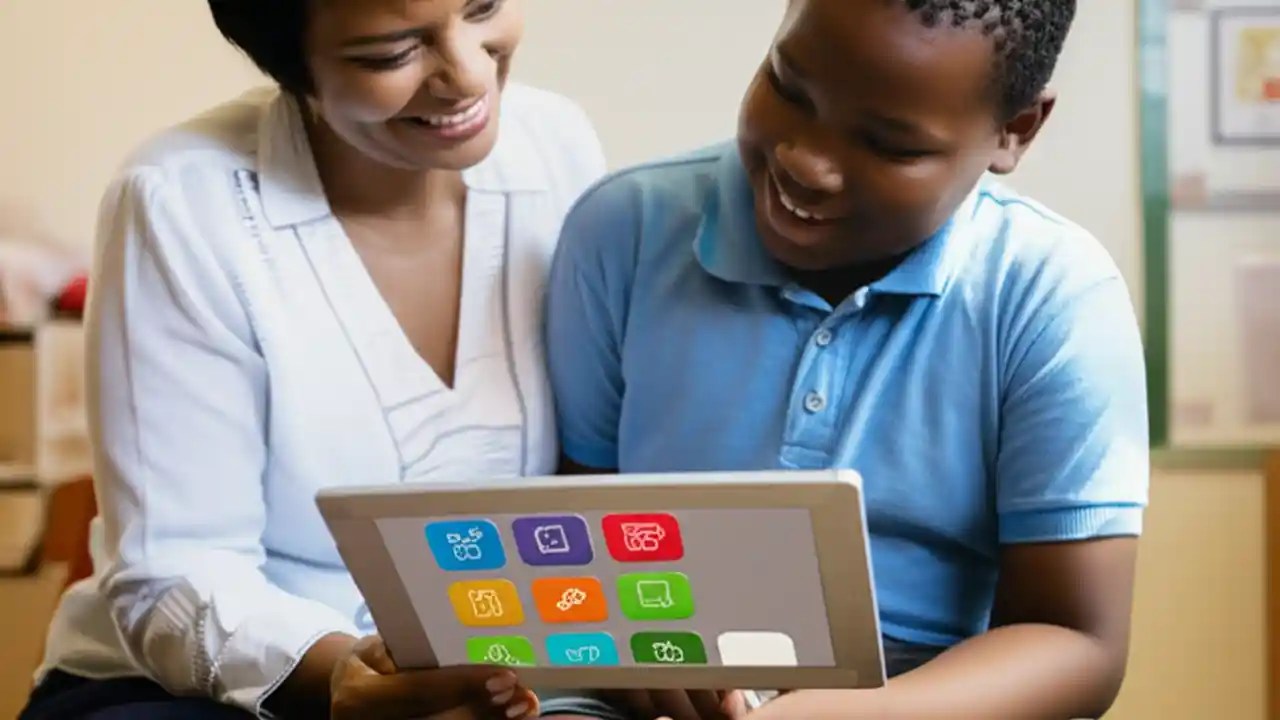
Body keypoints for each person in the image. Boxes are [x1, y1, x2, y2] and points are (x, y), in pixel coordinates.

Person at [546, 1, 1148, 718]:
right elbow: (573, 537)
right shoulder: (625, 232)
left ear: (1014, 131)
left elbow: (1076, 641)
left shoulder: (1054, 296)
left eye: (889, 145)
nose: (805, 161)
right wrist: (627, 656)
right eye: (788, 88)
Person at [20, 0, 617, 718]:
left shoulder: (556, 147)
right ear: (293, 67)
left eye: (483, 7)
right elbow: (173, 569)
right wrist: (344, 674)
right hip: (211, 687)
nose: (466, 75)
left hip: (503, 675)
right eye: (392, 53)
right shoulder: (184, 201)